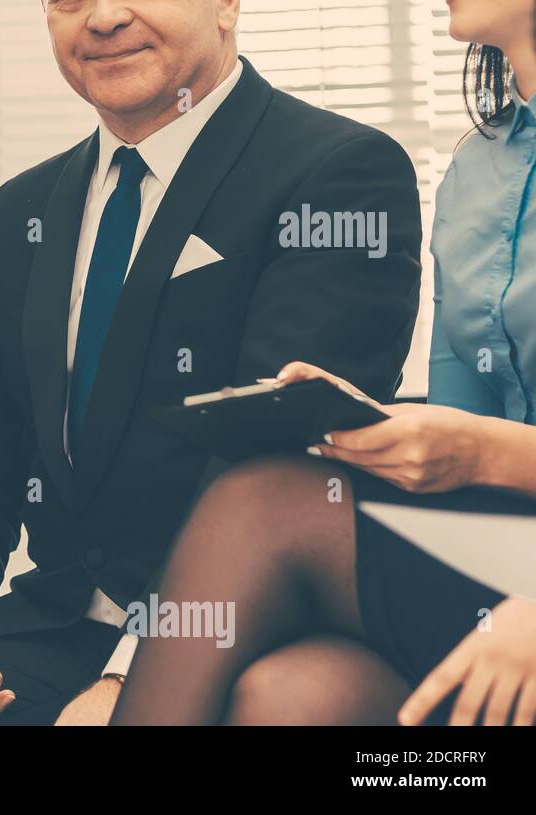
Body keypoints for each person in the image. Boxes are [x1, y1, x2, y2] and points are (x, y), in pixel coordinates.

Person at [0, 0, 423, 726]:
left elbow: (275, 468)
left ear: (226, 5)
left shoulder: (341, 175)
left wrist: (132, 680)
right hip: (50, 625)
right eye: (69, 0)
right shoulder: (19, 212)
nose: (104, 17)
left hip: (246, 632)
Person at [109, 0, 536, 727]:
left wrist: (480, 456)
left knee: (263, 499)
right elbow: (463, 425)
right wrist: (389, 429)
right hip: (504, 544)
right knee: (293, 693)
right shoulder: (477, 166)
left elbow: (477, 445)